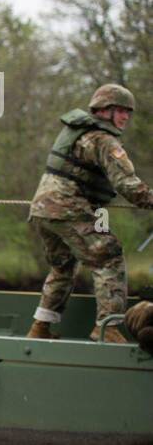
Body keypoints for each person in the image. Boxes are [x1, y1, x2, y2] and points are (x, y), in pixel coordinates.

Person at [26, 84, 153, 342]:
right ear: (104, 111)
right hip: (68, 209)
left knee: (63, 268)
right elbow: (126, 184)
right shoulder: (104, 140)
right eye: (120, 111)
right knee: (108, 256)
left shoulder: (78, 133)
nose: (126, 117)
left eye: (128, 112)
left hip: (42, 210)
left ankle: (40, 328)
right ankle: (108, 328)